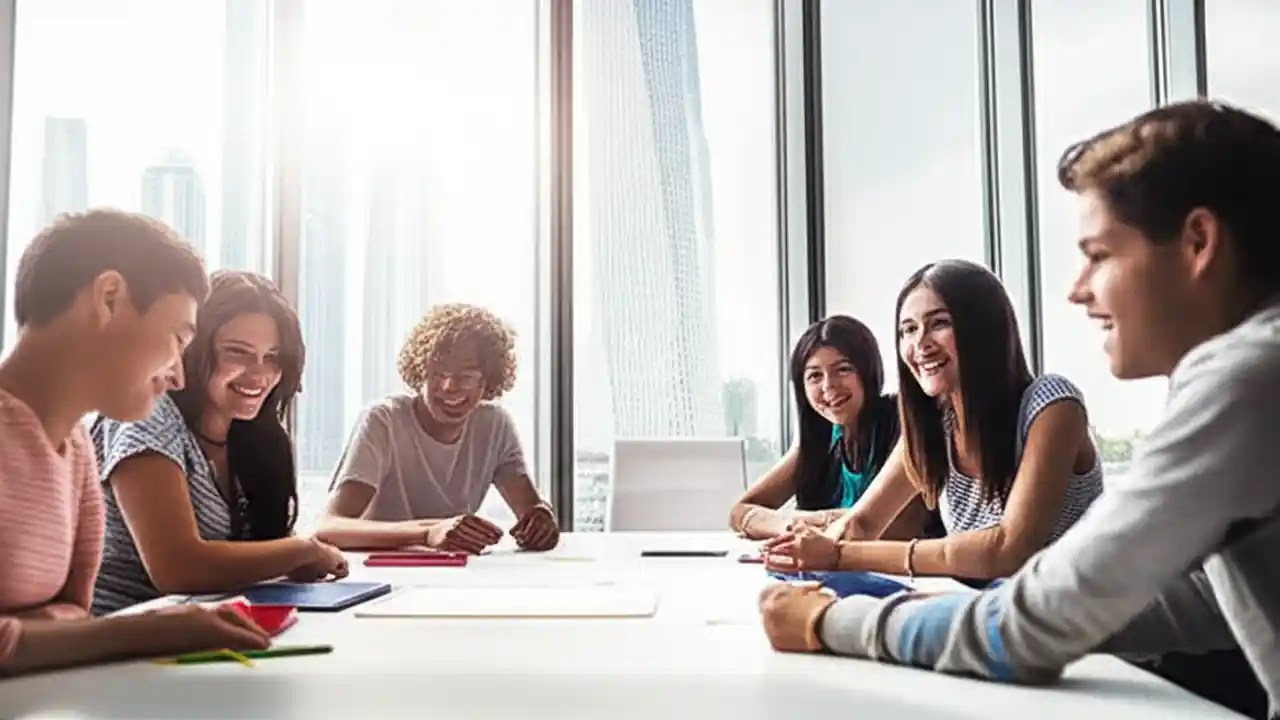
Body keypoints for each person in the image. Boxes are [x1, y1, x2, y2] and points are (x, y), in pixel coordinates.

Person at [759, 101, 1280, 718]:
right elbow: (1202, 602)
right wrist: (1021, 610)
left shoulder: (1245, 378)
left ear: (1198, 242)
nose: (1077, 287)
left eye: (1100, 253)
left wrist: (833, 622)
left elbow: (1034, 622)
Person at [0, 210, 270, 675]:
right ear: (110, 298)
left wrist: (34, 634)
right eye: (176, 338)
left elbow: (70, 621)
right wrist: (153, 630)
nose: (178, 374)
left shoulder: (77, 451)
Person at [764, 260, 1102, 582]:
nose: (920, 344)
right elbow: (863, 523)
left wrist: (839, 555)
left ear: (983, 328)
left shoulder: (1052, 406)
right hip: (988, 614)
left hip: (1077, 626)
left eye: (939, 323)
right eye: (908, 330)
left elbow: (1006, 550)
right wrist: (806, 555)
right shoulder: (934, 426)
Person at [92, 270, 348, 616]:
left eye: (272, 357)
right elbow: (176, 567)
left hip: (205, 632)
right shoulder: (149, 414)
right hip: (118, 641)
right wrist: (301, 551)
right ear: (194, 351)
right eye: (238, 353)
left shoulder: (256, 439)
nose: (259, 374)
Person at [316, 303, 558, 553]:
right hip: (376, 573)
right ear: (421, 372)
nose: (448, 387)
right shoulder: (384, 421)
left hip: (451, 575)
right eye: (437, 373)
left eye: (466, 377)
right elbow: (328, 527)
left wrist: (542, 523)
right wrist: (428, 532)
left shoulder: (495, 426)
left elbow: (531, 512)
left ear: (486, 382)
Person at [729, 315, 907, 540]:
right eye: (814, 376)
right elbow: (740, 512)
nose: (828, 386)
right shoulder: (821, 437)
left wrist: (804, 523)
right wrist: (797, 527)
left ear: (869, 371)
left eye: (843, 369)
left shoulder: (904, 422)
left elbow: (896, 524)